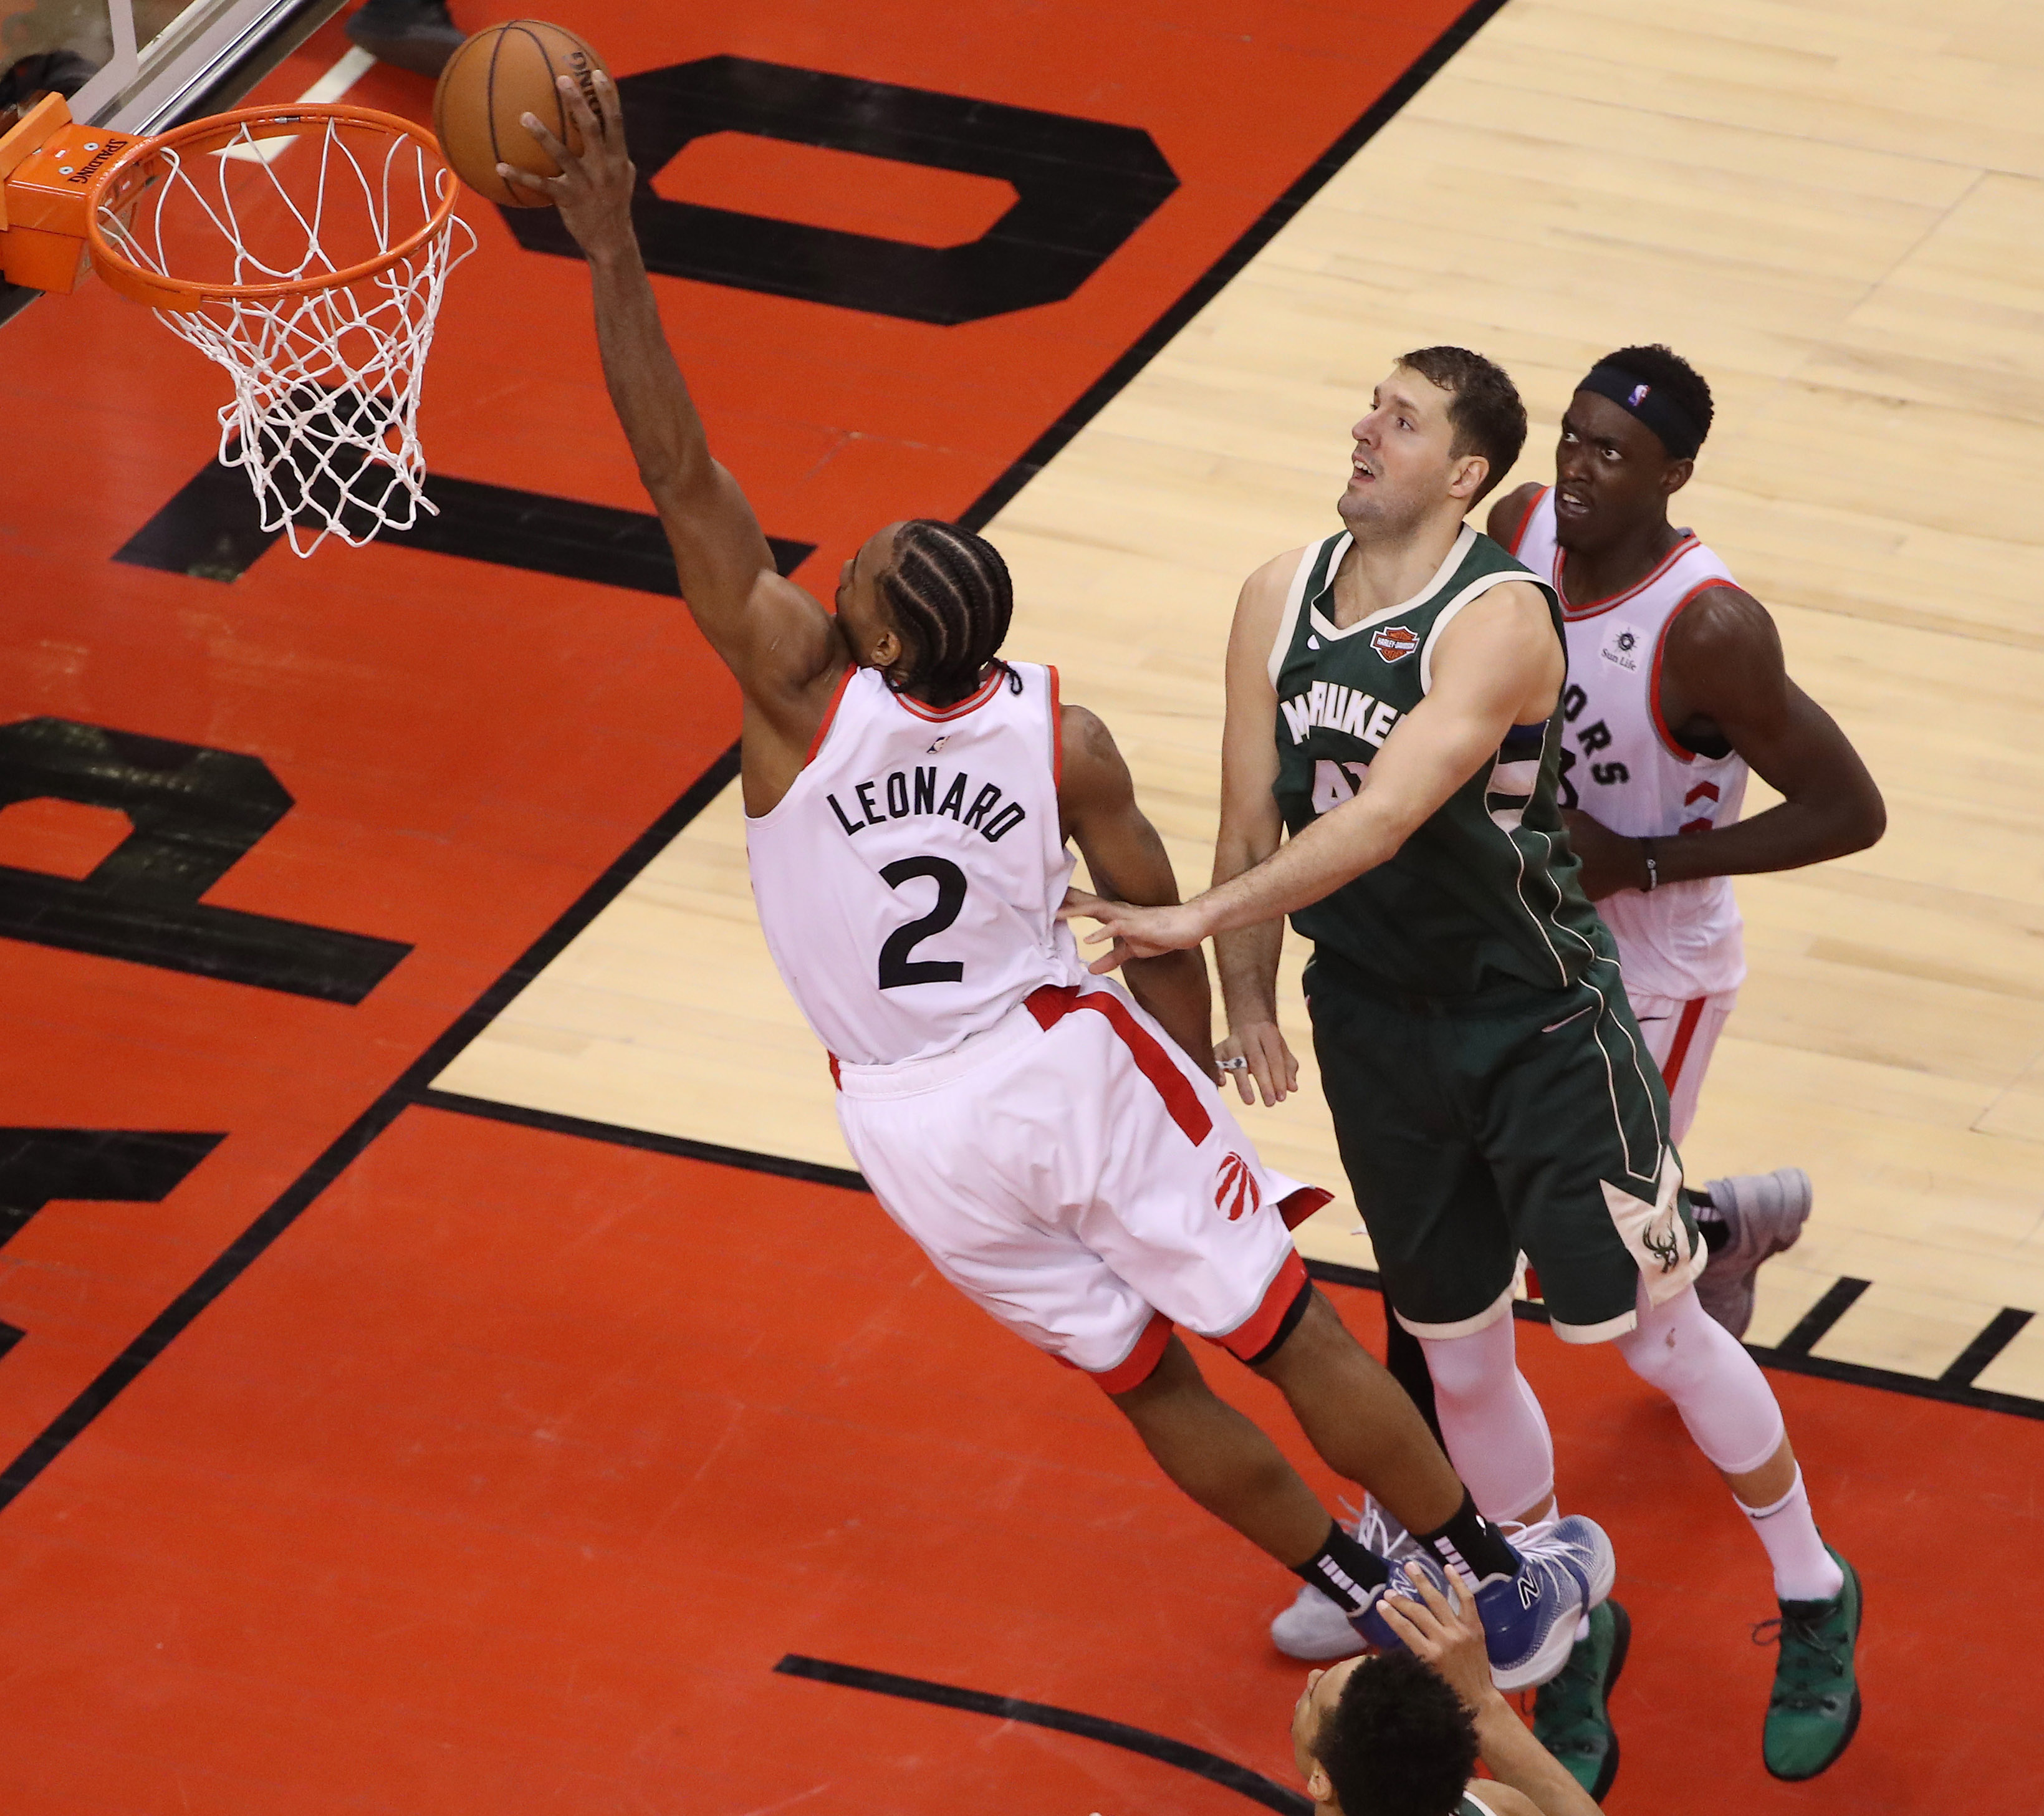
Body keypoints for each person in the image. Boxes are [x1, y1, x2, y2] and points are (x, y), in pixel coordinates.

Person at [503, 72, 1611, 1688]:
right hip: (1060, 1067)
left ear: (869, 639)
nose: (851, 553)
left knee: (1149, 1382)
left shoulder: (794, 703)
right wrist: (1189, 1069)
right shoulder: (1060, 734)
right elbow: (1151, 914)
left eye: (864, 560)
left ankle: (1371, 1595)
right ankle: (1492, 1583)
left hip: (902, 1125)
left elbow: (681, 483)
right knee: (1281, 1325)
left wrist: (610, 249)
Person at [1072, 348, 1864, 1788]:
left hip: (1540, 1018)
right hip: (1379, 1020)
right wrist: (1246, 985)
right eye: (1367, 404)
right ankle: (1555, 1630)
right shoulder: (1274, 593)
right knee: (1457, 1352)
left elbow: (1376, 820)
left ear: (1459, 478)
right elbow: (1252, 805)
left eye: (1402, 418)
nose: (1363, 427)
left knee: (1647, 1330)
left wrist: (1190, 922)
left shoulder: (1499, 621)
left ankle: (1811, 1588)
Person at [1490, 344, 1886, 1340]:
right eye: (1572, 439)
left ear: (1672, 475)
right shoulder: (1521, 526)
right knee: (1492, 1191)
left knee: (1609, 1267)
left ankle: (1713, 1241)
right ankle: (1710, 1224)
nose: (1578, 465)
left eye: (1612, 453)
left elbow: (1850, 809)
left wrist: (1647, 859)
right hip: (1531, 920)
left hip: (1655, 963)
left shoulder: (1710, 629)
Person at [1290, 1571, 1608, 1816]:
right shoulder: (1492, 1804)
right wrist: (1480, 1698)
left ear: (1321, 1781)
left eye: (1314, 1695)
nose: (1313, 1676)